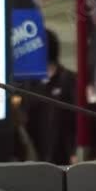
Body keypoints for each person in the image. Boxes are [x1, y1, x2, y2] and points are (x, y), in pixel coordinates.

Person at [19, 29, 77, 165]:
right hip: (34, 163)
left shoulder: (70, 82)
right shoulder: (26, 84)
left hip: (66, 163)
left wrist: (75, 152)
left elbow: (83, 123)